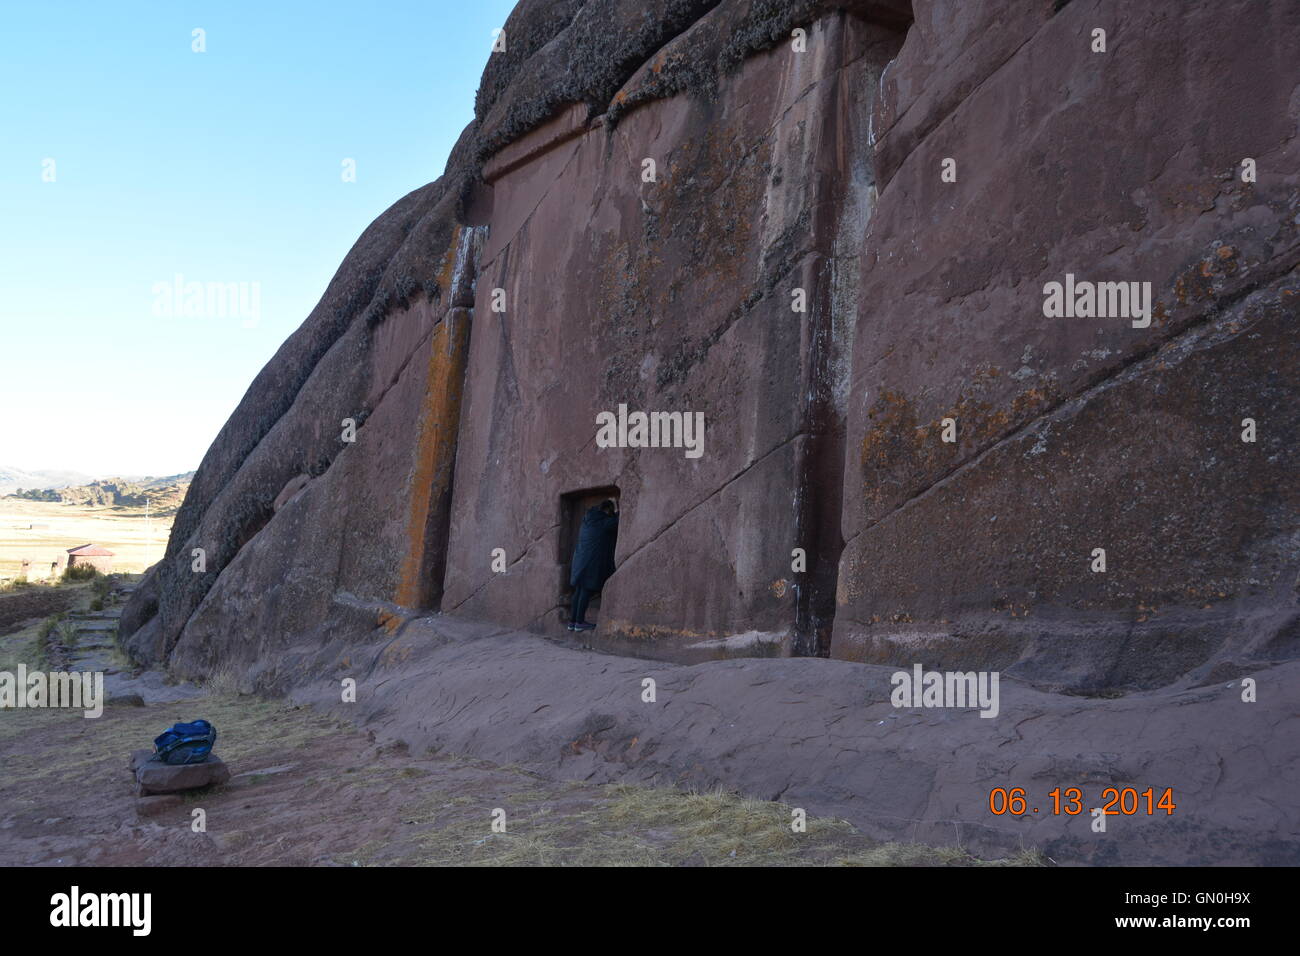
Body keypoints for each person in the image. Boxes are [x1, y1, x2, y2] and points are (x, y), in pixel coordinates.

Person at [568, 499, 618, 631]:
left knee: (578, 591)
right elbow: (617, 521)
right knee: (585, 591)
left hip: (579, 560)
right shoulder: (602, 522)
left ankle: (572, 622)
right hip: (590, 563)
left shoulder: (588, 519)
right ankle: (579, 622)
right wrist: (617, 508)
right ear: (607, 510)